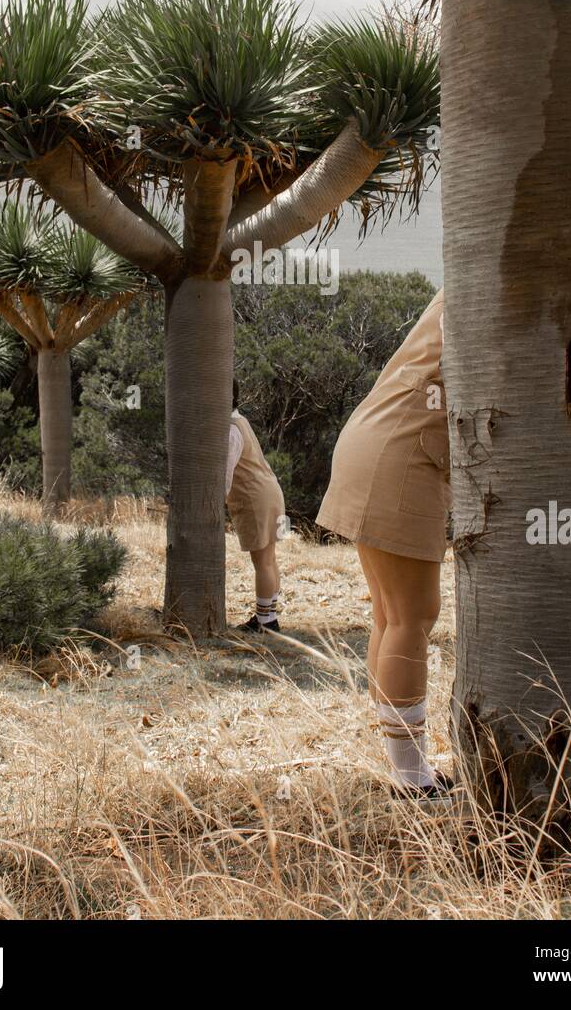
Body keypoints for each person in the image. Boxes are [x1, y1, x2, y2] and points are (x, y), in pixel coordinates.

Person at [316, 286, 452, 800]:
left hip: (378, 442)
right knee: (412, 616)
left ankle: (405, 769)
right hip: (400, 456)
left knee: (391, 616)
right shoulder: (483, 284)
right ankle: (412, 779)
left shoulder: (464, 278)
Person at [226, 380, 287, 633]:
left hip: (255, 498)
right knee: (269, 559)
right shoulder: (241, 420)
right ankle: (268, 616)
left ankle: (266, 622)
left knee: (262, 562)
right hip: (270, 492)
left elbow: (225, 474)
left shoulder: (230, 430)